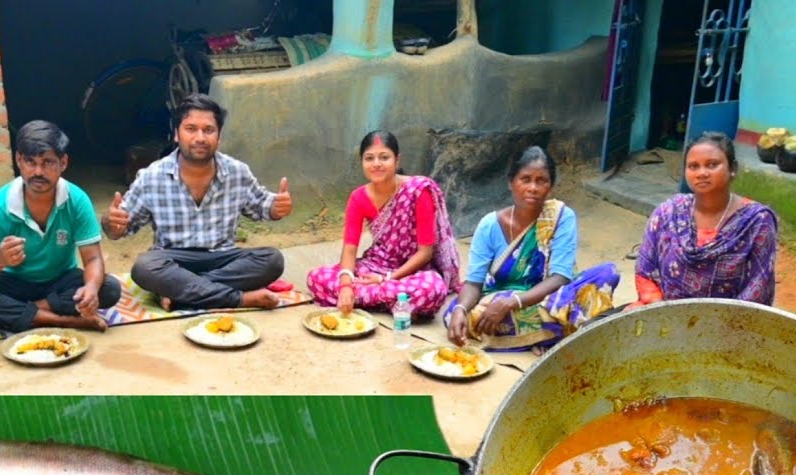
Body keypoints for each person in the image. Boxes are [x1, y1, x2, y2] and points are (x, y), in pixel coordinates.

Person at [102, 93, 292, 310]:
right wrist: (112, 223)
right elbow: (120, 228)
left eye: (208, 130)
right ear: (176, 134)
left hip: (222, 258)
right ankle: (238, 299)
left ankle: (178, 293)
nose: (200, 138)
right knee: (145, 267)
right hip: (172, 261)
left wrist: (277, 207)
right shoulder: (152, 177)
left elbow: (262, 206)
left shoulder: (237, 172)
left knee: (272, 260)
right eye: (191, 129)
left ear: (219, 137)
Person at [0, 120, 120, 332]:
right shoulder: (2, 204)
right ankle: (65, 321)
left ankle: (19, 314)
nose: (38, 172)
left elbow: (93, 258)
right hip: (13, 284)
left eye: (48, 162)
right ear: (19, 160)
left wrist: (91, 289)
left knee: (109, 288)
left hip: (59, 281)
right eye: (30, 162)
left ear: (63, 163)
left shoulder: (77, 200)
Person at [444, 146, 619, 351]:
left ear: (550, 186)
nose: (533, 188)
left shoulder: (561, 217)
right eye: (525, 179)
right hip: (503, 297)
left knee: (606, 274)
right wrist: (461, 309)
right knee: (460, 315)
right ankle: (558, 334)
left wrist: (513, 303)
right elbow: (474, 283)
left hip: (549, 298)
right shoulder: (489, 225)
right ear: (511, 182)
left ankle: (535, 334)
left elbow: (560, 277)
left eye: (541, 180)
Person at [306, 130, 461, 318]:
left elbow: (425, 253)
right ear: (362, 162)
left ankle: (366, 300)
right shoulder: (358, 197)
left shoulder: (419, 191)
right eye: (369, 158)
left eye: (384, 157)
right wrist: (346, 286)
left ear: (397, 160)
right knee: (317, 278)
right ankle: (396, 303)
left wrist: (385, 279)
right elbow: (349, 249)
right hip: (375, 264)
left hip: (412, 271)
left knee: (432, 289)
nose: (376, 164)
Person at [630, 131, 778, 307]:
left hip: (728, 320)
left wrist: (707, 322)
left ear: (732, 169)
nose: (701, 173)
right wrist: (664, 313)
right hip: (664, 315)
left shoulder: (757, 221)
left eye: (712, 165)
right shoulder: (668, 213)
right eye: (693, 166)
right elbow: (644, 272)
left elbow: (757, 289)